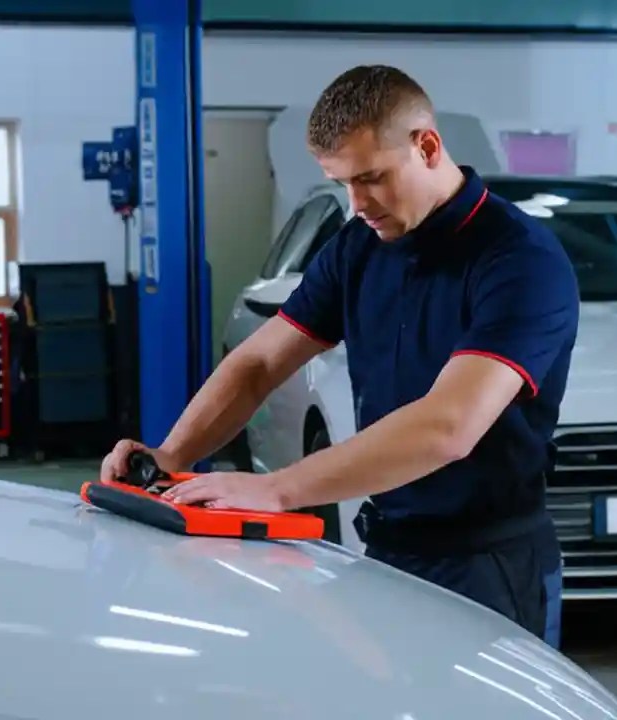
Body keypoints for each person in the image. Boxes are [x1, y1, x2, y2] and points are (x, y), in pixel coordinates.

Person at [100, 64, 578, 647]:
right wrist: (171, 457)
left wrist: (276, 490)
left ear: (427, 147)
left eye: (371, 178)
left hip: (490, 567)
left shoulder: (518, 260)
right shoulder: (358, 247)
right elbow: (259, 364)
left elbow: (449, 427)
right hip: (388, 549)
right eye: (343, 183)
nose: (357, 204)